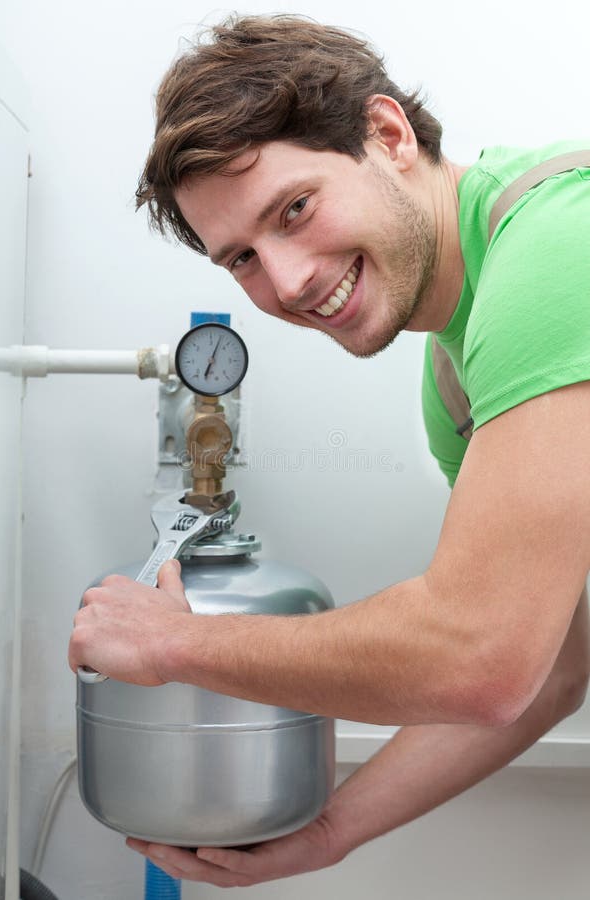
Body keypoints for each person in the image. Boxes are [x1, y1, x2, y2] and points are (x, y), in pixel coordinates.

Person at [68, 14, 590, 887]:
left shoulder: (557, 247)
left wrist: (175, 647)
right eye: (241, 258)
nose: (289, 281)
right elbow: (550, 664)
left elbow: (481, 655)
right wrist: (330, 832)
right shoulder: (454, 384)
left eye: (295, 209)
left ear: (386, 136)